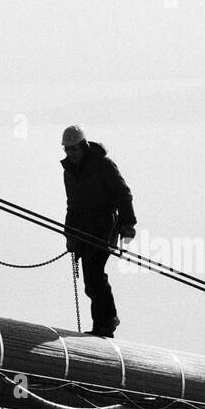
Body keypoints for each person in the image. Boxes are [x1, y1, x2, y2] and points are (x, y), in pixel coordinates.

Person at [60, 125, 136, 337]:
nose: (70, 154)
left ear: (83, 147)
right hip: (84, 229)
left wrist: (128, 224)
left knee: (94, 274)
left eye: (73, 149)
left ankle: (108, 321)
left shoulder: (103, 165)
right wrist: (69, 234)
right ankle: (102, 325)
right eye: (67, 150)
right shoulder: (69, 171)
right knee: (90, 281)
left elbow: (123, 194)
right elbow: (72, 205)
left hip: (104, 227)